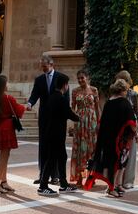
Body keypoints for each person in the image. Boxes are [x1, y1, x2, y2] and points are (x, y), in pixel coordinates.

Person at [84, 79, 136, 198]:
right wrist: (136, 134)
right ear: (122, 90)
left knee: (111, 163)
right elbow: (132, 123)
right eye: (125, 90)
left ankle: (115, 186)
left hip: (107, 138)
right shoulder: (124, 102)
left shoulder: (108, 102)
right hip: (121, 139)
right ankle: (111, 188)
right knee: (118, 164)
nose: (126, 92)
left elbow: (102, 121)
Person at [26, 53, 67, 184]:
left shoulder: (61, 78)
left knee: (55, 146)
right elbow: (34, 95)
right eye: (42, 67)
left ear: (51, 65)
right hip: (44, 118)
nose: (43, 69)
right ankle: (43, 174)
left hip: (57, 118)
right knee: (43, 145)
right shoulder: (39, 80)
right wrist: (29, 103)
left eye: (45, 67)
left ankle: (55, 176)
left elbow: (66, 98)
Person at [37, 72, 80, 197]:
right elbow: (69, 113)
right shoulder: (61, 99)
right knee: (51, 160)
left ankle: (64, 184)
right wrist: (79, 118)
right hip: (56, 134)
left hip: (53, 133)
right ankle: (43, 186)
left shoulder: (52, 97)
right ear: (65, 85)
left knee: (61, 157)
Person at [0, 74, 24, 195]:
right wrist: (25, 106)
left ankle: (4, 181)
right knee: (4, 157)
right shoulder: (8, 98)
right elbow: (19, 111)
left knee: (4, 156)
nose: (8, 85)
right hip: (7, 129)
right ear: (3, 86)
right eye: (7, 83)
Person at [69, 69, 100, 188]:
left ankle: (91, 177)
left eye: (82, 78)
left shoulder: (94, 90)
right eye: (78, 78)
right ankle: (80, 178)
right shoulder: (75, 91)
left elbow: (97, 108)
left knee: (91, 151)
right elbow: (72, 109)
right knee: (80, 152)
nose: (80, 80)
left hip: (91, 123)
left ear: (87, 77)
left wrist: (99, 123)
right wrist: (72, 124)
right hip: (80, 123)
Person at [115, 69, 138, 189]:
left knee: (131, 156)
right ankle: (117, 180)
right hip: (119, 128)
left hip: (131, 128)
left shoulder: (134, 94)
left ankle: (128, 180)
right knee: (118, 155)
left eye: (124, 80)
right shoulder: (115, 94)